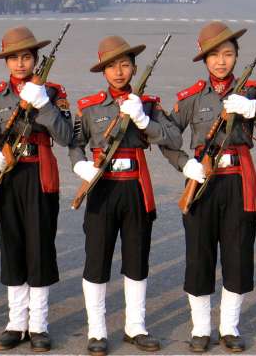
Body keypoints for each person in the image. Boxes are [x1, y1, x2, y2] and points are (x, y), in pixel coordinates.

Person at [162, 21, 256, 353]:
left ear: (236, 57)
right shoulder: (191, 98)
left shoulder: (253, 91)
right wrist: (183, 163)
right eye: (214, 55)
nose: (221, 61)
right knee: (199, 255)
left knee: (238, 254)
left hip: (239, 181)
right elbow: (166, 136)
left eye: (228, 54)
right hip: (202, 180)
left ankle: (230, 327)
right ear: (204, 59)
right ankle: (201, 327)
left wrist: (254, 108)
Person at [72, 35, 181, 355]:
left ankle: (136, 326)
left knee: (136, 258)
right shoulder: (89, 107)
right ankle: (97, 330)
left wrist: (144, 120)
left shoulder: (148, 104)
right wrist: (79, 166)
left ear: (134, 69)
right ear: (103, 72)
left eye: (124, 65)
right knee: (97, 258)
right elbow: (74, 142)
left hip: (135, 186)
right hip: (102, 187)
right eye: (111, 66)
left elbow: (172, 138)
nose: (119, 72)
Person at [0, 26, 75, 352]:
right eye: (13, 58)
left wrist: (43, 104)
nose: (20, 64)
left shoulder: (55, 92)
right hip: (6, 175)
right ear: (6, 62)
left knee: (40, 247)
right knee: (12, 245)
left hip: (40, 173)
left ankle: (39, 325)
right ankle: (16, 323)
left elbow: (66, 136)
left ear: (36, 60)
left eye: (26, 57)